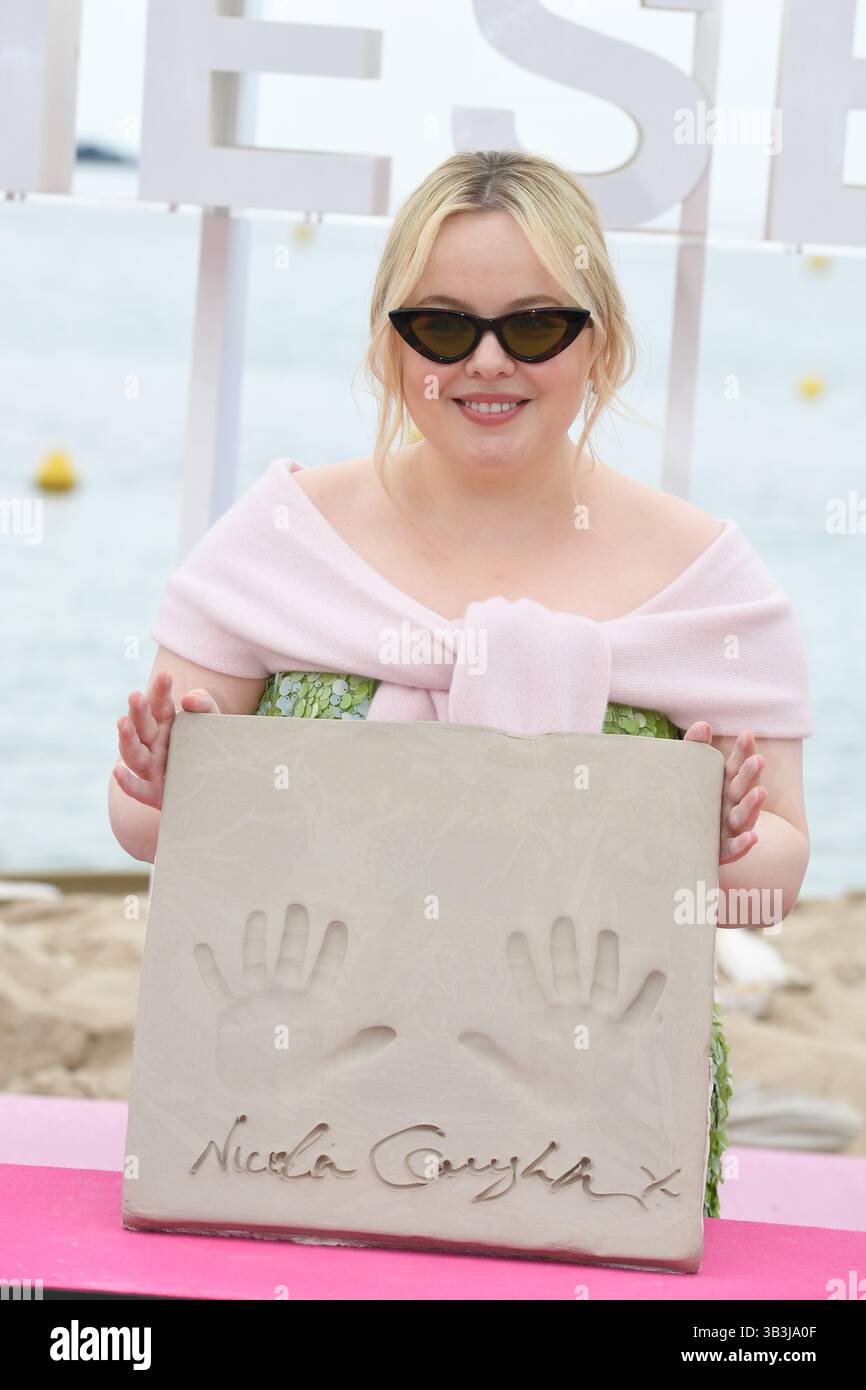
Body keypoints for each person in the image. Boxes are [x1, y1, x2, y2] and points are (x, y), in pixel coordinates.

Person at [108, 149, 811, 1219]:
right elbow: (144, 827)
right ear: (389, 344)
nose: (487, 362)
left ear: (601, 337)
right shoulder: (280, 541)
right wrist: (166, 785)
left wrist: (708, 839)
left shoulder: (704, 581)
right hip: (280, 1102)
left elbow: (773, 877)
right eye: (441, 326)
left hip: (596, 1131)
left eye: (534, 325)